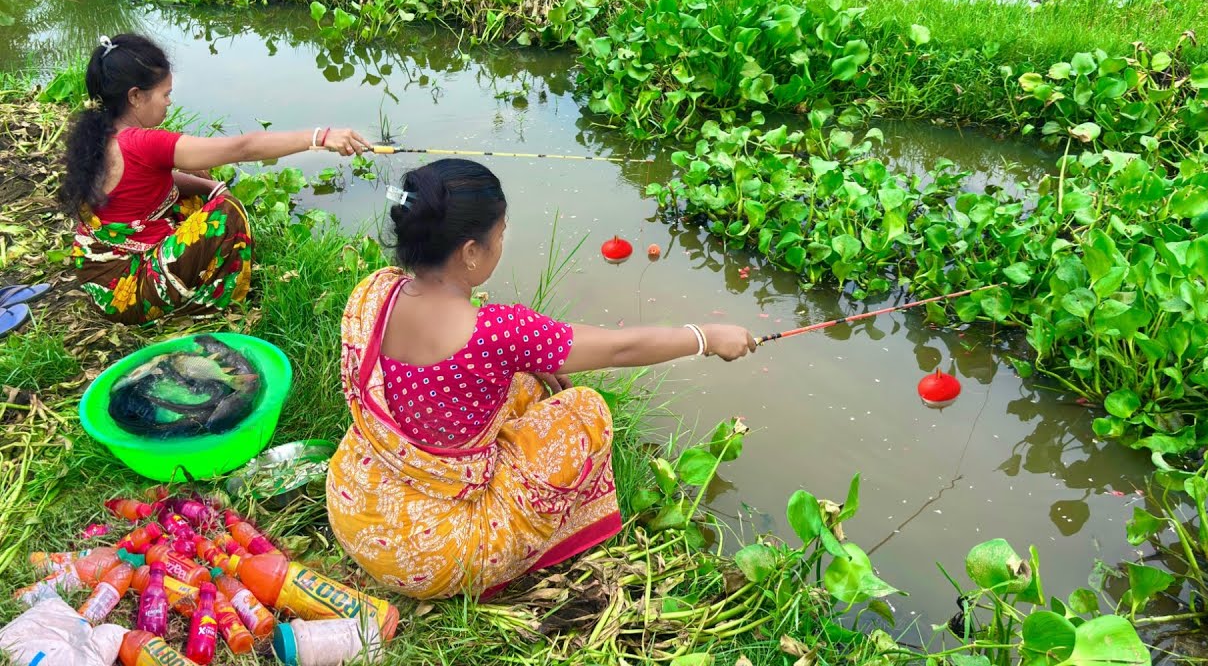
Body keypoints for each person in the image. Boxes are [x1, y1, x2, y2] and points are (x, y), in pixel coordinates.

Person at [328, 159, 756, 600]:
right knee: (585, 410)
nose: (502, 243)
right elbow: (619, 348)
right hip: (432, 556)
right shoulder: (497, 332)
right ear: (471, 252)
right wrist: (706, 337)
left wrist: (523, 359)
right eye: (500, 234)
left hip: (356, 509)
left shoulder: (375, 292)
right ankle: (523, 543)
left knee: (524, 384)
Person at [59, 33, 372, 325]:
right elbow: (243, 148)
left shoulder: (100, 133)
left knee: (198, 190)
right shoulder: (143, 143)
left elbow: (146, 184)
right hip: (129, 293)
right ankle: (212, 300)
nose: (169, 102)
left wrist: (211, 186)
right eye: (165, 94)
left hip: (101, 275)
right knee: (226, 213)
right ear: (136, 96)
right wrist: (320, 137)